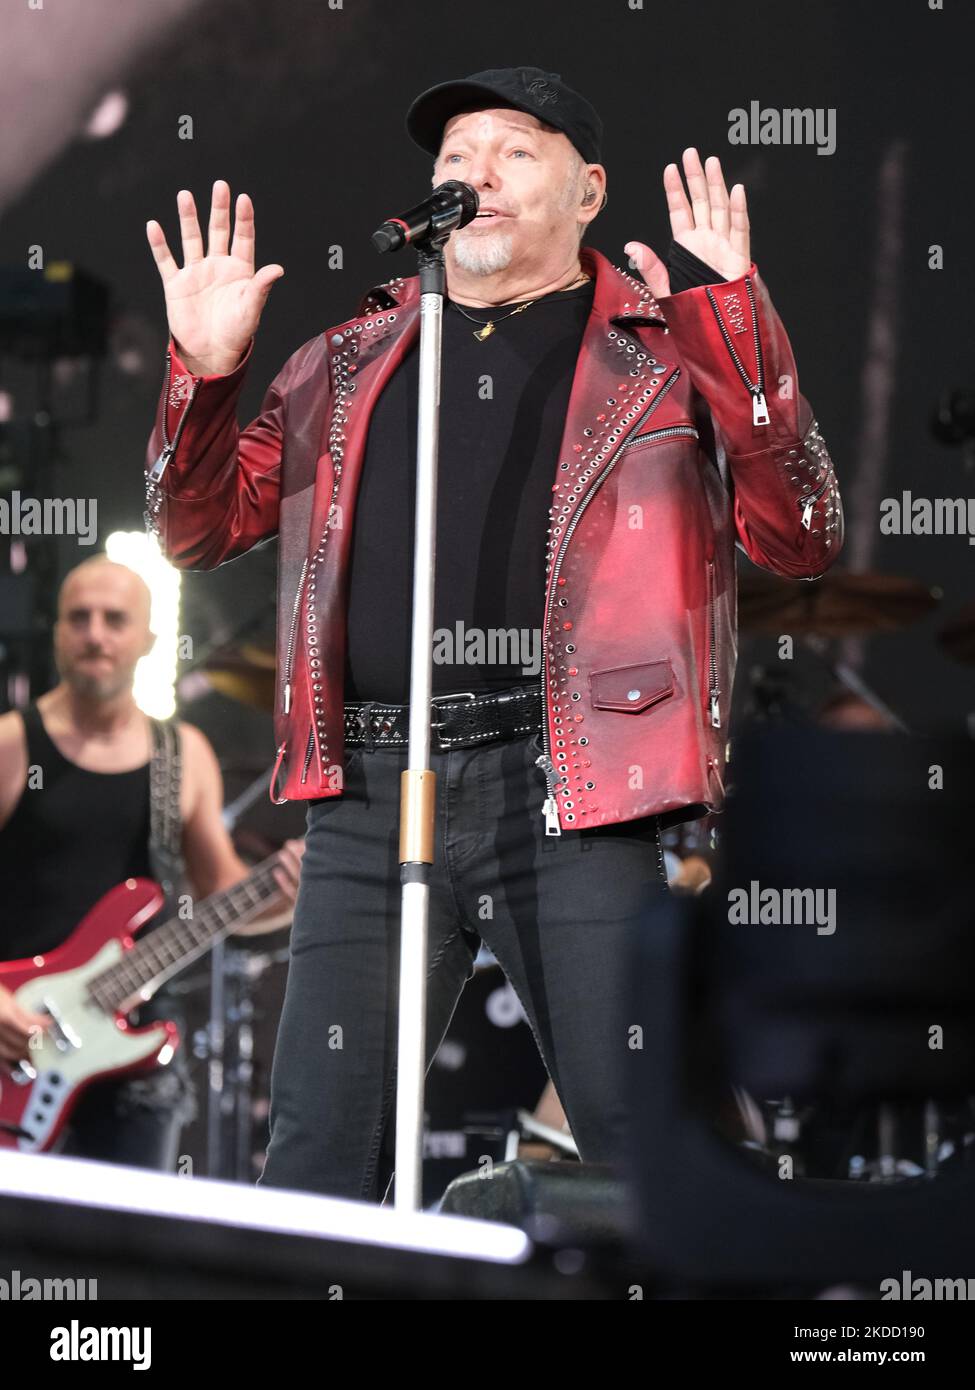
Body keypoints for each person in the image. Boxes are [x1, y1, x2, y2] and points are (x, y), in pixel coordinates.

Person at [143, 66, 843, 1200]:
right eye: (456, 157)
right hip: (375, 783)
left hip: (570, 783)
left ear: (589, 191)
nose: (476, 172)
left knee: (643, 1142)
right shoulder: (348, 359)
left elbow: (802, 535)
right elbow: (198, 529)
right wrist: (204, 379)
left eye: (514, 149)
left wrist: (735, 324)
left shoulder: (665, 352)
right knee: (316, 1159)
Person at [0, 555, 303, 1169]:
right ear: (56, 631)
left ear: (149, 639)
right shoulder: (12, 743)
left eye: (115, 619)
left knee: (124, 1253)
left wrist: (292, 892)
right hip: (15, 1039)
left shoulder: (181, 753)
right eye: (78, 618)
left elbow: (226, 897)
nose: (95, 634)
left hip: (136, 1059)